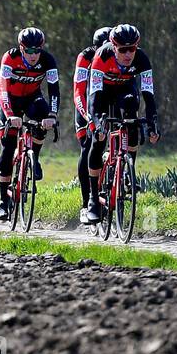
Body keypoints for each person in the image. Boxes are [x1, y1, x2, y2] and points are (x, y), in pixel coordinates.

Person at [83, 24, 160, 223]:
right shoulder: (102, 56)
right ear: (114, 46)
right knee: (98, 140)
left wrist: (152, 123)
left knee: (132, 116)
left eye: (132, 49)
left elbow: (148, 95)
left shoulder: (142, 59)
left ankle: (127, 170)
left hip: (125, 90)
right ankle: (93, 199)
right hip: (102, 92)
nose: (128, 54)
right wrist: (96, 123)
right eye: (123, 49)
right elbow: (93, 97)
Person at [0, 27, 59, 220]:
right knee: (8, 148)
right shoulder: (10, 57)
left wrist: (52, 115)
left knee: (42, 119)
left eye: (37, 50)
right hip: (10, 101)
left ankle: (34, 158)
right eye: (29, 50)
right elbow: (2, 88)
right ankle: (2, 200)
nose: (33, 55)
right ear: (21, 48)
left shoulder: (48, 60)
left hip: (32, 98)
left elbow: (54, 89)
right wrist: (9, 114)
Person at [73, 27, 112, 219]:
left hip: (109, 99)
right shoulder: (85, 57)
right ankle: (86, 202)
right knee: (87, 146)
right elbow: (79, 91)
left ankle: (120, 173)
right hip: (87, 103)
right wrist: (88, 116)